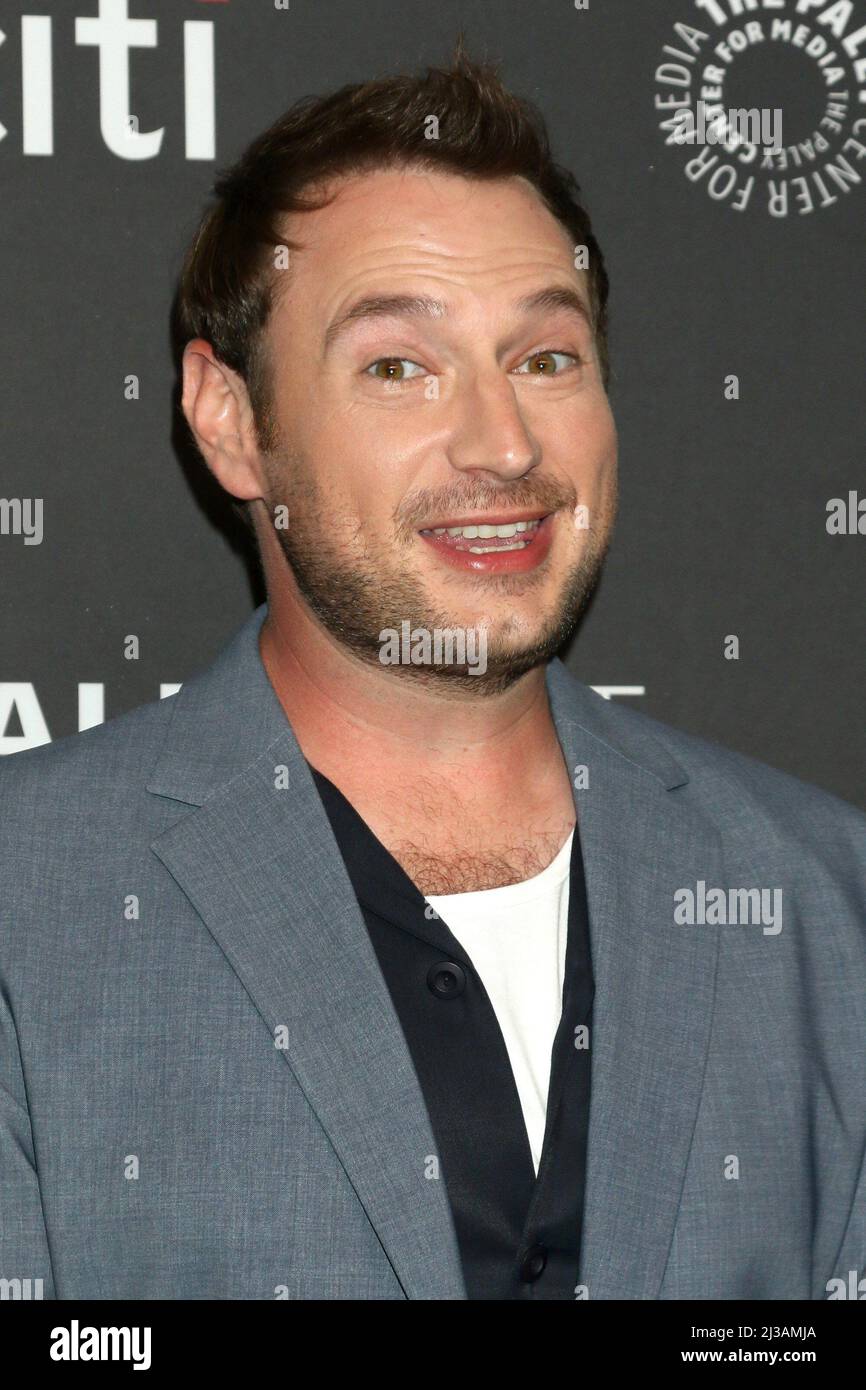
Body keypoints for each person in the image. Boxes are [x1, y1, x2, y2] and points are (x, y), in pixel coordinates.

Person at [1, 44, 864, 1302]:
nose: (502, 442)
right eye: (398, 366)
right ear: (232, 420)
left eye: (546, 360)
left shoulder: (820, 904)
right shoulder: (29, 908)